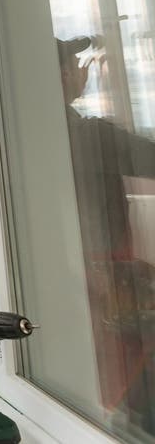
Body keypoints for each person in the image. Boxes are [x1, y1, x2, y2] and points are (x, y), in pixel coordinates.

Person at [57, 36, 155, 431]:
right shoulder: (89, 135)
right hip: (110, 285)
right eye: (77, 66)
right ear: (64, 75)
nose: (83, 73)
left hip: (88, 279)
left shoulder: (37, 135)